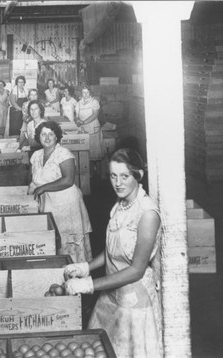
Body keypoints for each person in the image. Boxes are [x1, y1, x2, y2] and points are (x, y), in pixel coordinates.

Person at [63, 148, 162, 358]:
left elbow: (136, 270)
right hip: (111, 295)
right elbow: (111, 251)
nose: (118, 183)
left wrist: (89, 284)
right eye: (113, 176)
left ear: (138, 176)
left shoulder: (147, 214)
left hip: (134, 302)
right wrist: (85, 267)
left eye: (124, 176)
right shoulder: (120, 205)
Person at [28, 121, 92, 263]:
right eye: (43, 134)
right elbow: (33, 179)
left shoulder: (63, 153)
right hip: (47, 204)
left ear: (57, 136)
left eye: (51, 134)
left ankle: (75, 273)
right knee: (51, 240)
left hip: (66, 204)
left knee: (68, 242)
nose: (47, 137)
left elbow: (68, 180)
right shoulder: (36, 155)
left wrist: (43, 188)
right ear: (38, 137)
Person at [75, 84, 106, 173]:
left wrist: (83, 122)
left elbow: (95, 115)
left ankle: (99, 173)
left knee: (96, 152)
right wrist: (77, 121)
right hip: (83, 130)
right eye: (83, 93)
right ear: (81, 93)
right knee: (86, 152)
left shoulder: (94, 102)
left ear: (90, 93)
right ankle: (90, 171)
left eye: (87, 92)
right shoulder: (78, 103)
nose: (85, 95)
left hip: (93, 128)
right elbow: (76, 116)